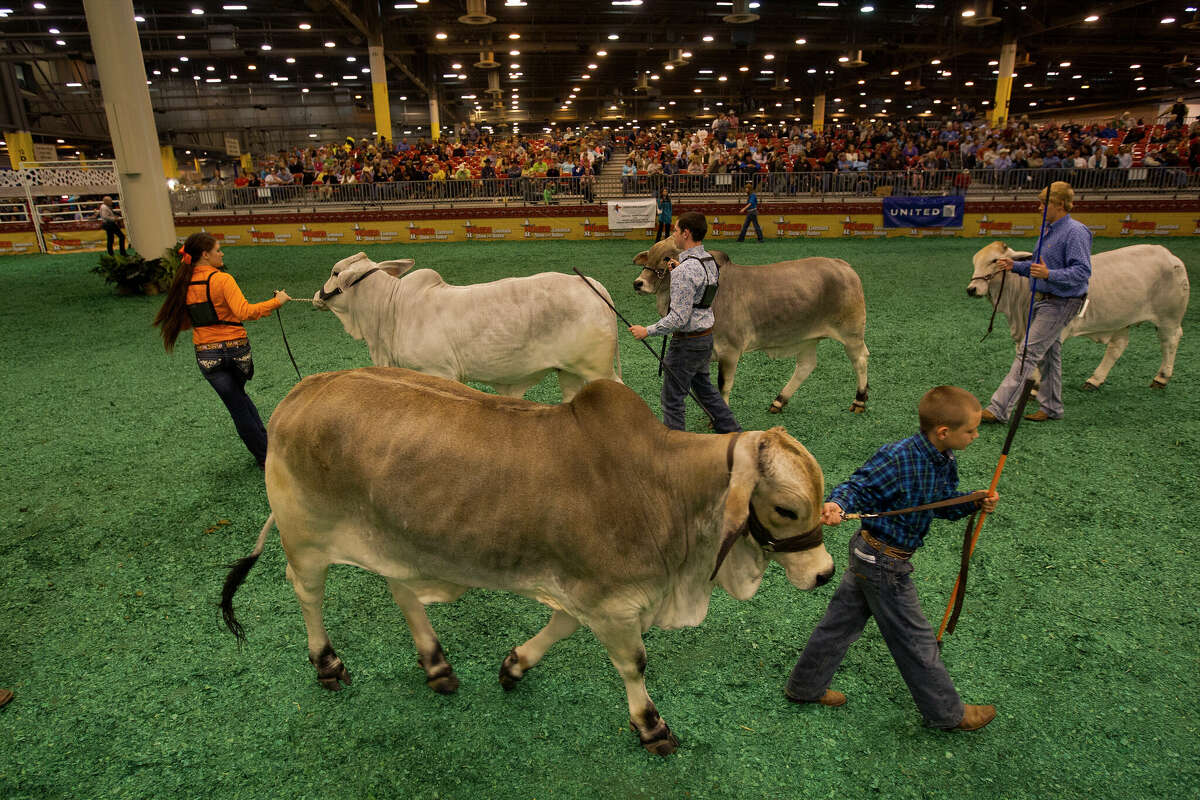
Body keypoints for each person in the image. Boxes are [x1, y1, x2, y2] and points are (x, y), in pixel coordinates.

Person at [785, 386, 1000, 731]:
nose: (976, 435)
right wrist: (838, 504)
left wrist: (974, 502)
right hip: (884, 563)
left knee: (839, 625)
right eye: (971, 431)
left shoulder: (944, 460)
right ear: (944, 432)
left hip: (871, 558)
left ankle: (804, 687)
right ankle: (948, 714)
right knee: (915, 640)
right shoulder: (897, 457)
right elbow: (858, 486)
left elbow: (941, 503)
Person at [152, 233, 290, 469]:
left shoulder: (183, 284)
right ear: (205, 255)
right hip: (237, 350)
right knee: (240, 401)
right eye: (218, 250)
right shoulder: (222, 280)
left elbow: (184, 322)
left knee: (237, 403)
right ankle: (266, 457)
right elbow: (245, 311)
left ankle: (265, 450)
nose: (221, 253)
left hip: (207, 355)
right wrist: (277, 301)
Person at [981, 181, 1091, 423]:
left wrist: (1049, 275)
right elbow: (1040, 267)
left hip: (1061, 301)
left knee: (1027, 353)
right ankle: (1051, 408)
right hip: (1044, 299)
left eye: (1044, 203)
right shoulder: (1049, 230)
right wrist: (1016, 266)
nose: (1039, 207)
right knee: (1049, 356)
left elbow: (1082, 271)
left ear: (1060, 205)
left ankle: (999, 409)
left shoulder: (1076, 232)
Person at [629, 212, 742, 434]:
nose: (674, 234)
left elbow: (678, 318)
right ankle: (734, 433)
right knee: (707, 393)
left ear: (686, 233)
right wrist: (677, 270)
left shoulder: (685, 270)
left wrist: (647, 331)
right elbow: (699, 291)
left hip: (687, 343)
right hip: (705, 338)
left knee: (672, 398)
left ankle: (674, 447)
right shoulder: (709, 260)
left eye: (676, 230)